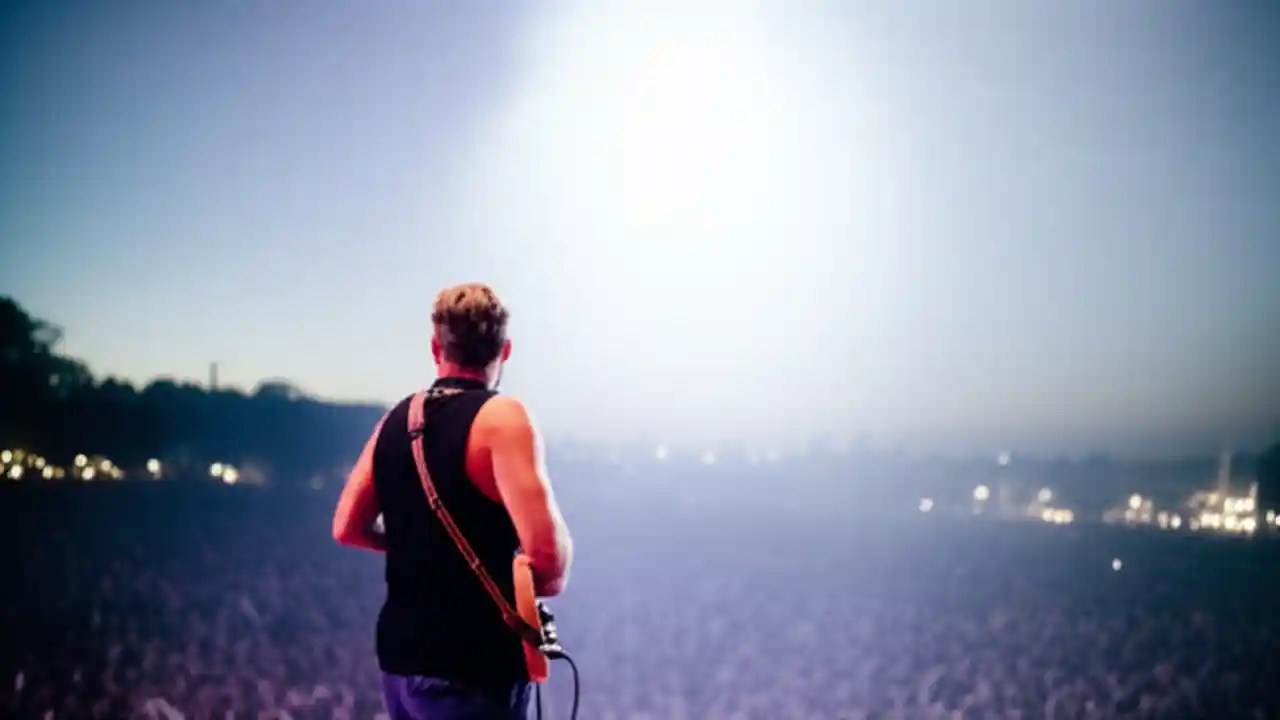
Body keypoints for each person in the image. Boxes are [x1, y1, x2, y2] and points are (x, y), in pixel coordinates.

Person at [333, 282, 573, 719]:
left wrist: (415, 542)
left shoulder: (397, 418)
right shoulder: (503, 419)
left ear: (434, 347)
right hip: (472, 670)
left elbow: (347, 527)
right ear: (505, 351)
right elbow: (550, 565)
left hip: (400, 664)